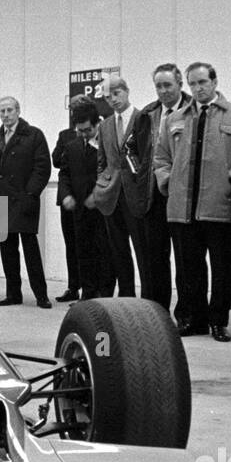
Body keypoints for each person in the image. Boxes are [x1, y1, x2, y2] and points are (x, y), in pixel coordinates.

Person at [154, 62, 231, 341]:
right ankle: (194, 320)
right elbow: (161, 158)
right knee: (190, 269)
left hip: (220, 205)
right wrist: (167, 181)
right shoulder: (174, 119)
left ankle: (218, 321)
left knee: (221, 268)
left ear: (214, 82)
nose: (198, 88)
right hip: (182, 207)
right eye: (193, 84)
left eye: (203, 82)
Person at [0, 96, 51, 308]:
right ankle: (13, 294)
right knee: (7, 250)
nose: (6, 114)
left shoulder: (34, 135)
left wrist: (31, 194)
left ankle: (41, 295)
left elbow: (42, 168)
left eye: (9, 110)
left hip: (24, 199)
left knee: (30, 249)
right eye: (2, 111)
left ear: (18, 111)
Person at [135, 64, 191, 313]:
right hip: (153, 195)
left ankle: (187, 311)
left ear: (180, 84)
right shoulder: (147, 114)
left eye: (168, 85)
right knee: (155, 259)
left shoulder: (194, 110)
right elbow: (134, 150)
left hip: (183, 194)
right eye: (159, 86)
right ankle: (157, 311)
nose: (163, 90)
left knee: (185, 258)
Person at [91, 77, 146, 297]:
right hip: (111, 197)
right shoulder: (105, 125)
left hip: (137, 195)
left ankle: (148, 299)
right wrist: (102, 184)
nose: (113, 99)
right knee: (119, 251)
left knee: (143, 251)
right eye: (107, 96)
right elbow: (102, 161)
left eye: (116, 93)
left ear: (126, 91)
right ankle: (126, 297)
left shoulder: (143, 118)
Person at [57, 99, 113, 299]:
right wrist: (66, 195)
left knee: (105, 253)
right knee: (83, 252)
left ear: (97, 124)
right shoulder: (72, 146)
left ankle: (105, 295)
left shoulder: (107, 144)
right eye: (79, 130)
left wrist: (97, 195)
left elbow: (112, 172)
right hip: (79, 209)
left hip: (102, 209)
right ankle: (87, 294)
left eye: (87, 130)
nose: (83, 134)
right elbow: (63, 174)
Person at [51, 110, 80, 302]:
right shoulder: (65, 135)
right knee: (71, 245)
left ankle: (91, 288)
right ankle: (73, 286)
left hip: (87, 197)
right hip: (67, 197)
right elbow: (56, 160)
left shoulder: (98, 131)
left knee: (88, 246)